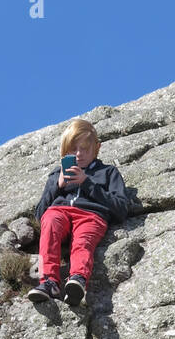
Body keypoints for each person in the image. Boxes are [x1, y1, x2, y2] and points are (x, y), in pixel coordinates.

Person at [28, 118, 129, 306]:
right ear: (65, 150)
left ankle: (78, 281)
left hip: (92, 215)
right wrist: (57, 186)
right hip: (59, 211)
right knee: (49, 224)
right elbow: (39, 216)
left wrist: (87, 183)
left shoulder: (108, 172)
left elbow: (121, 208)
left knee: (83, 241)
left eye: (85, 149)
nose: (79, 154)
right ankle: (47, 282)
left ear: (96, 148)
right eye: (74, 149)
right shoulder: (56, 174)